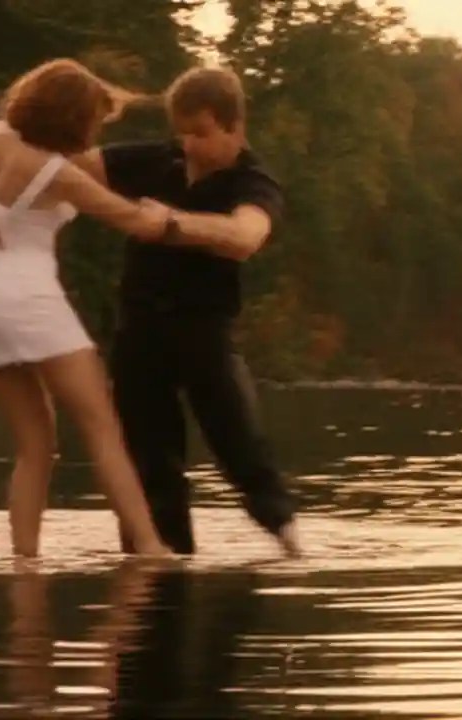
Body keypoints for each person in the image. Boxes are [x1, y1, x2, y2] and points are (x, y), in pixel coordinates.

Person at [73, 66, 301, 557]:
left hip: (204, 330)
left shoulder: (253, 181)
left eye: (201, 133)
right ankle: (160, 562)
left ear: (234, 127)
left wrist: (170, 225)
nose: (190, 145)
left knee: (240, 445)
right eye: (182, 133)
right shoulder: (157, 160)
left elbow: (244, 238)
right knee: (148, 460)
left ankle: (289, 543)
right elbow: (72, 165)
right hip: (139, 329)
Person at [0, 59, 174, 558]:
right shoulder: (57, 175)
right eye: (92, 121)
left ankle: (24, 559)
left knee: (35, 445)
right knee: (102, 426)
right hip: (30, 296)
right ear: (72, 119)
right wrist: (164, 214)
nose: (95, 130)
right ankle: (149, 546)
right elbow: (136, 222)